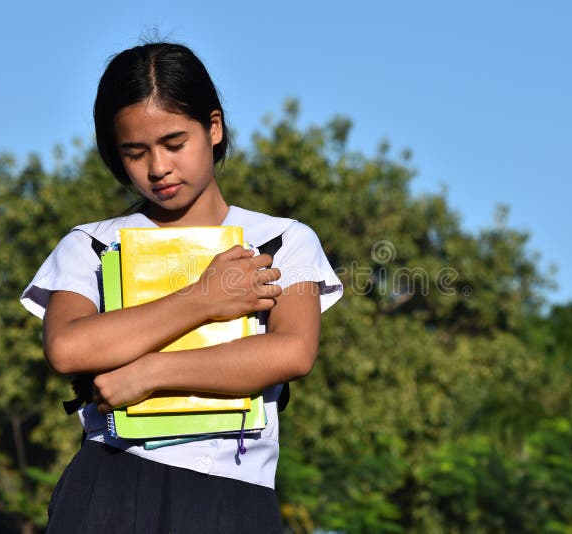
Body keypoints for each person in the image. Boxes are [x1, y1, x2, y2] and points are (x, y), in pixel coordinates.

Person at [20, 41, 342, 533]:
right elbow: (67, 347)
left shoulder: (281, 240)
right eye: (135, 152)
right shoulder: (92, 245)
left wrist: (151, 372)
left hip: (234, 494)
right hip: (110, 484)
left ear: (213, 127)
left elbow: (292, 352)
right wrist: (203, 299)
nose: (158, 168)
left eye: (174, 143)